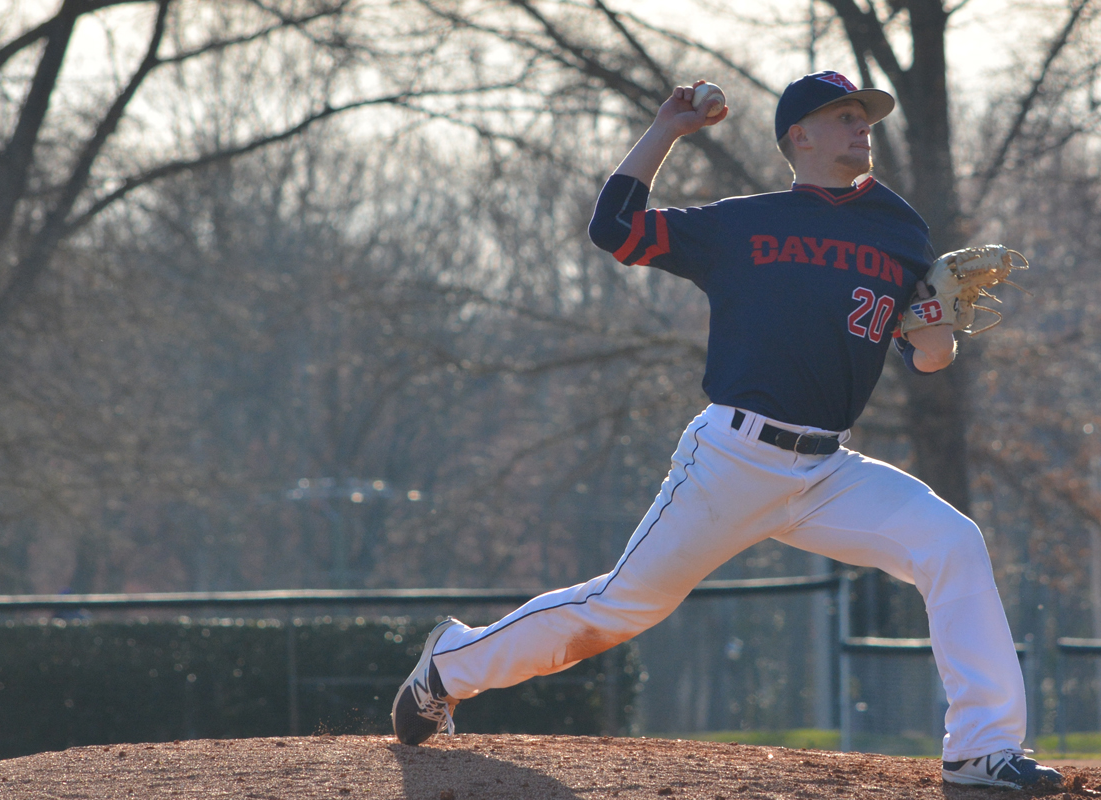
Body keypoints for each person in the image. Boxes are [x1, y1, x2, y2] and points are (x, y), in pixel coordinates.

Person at [390, 71, 1061, 791]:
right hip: (733, 458)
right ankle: (449, 664)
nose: (862, 125)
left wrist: (936, 332)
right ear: (797, 136)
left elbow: (926, 359)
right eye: (844, 115)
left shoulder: (899, 226)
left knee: (953, 542)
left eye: (865, 115)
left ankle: (980, 751)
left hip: (827, 472)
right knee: (620, 606)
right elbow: (614, 228)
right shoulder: (743, 223)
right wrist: (665, 133)